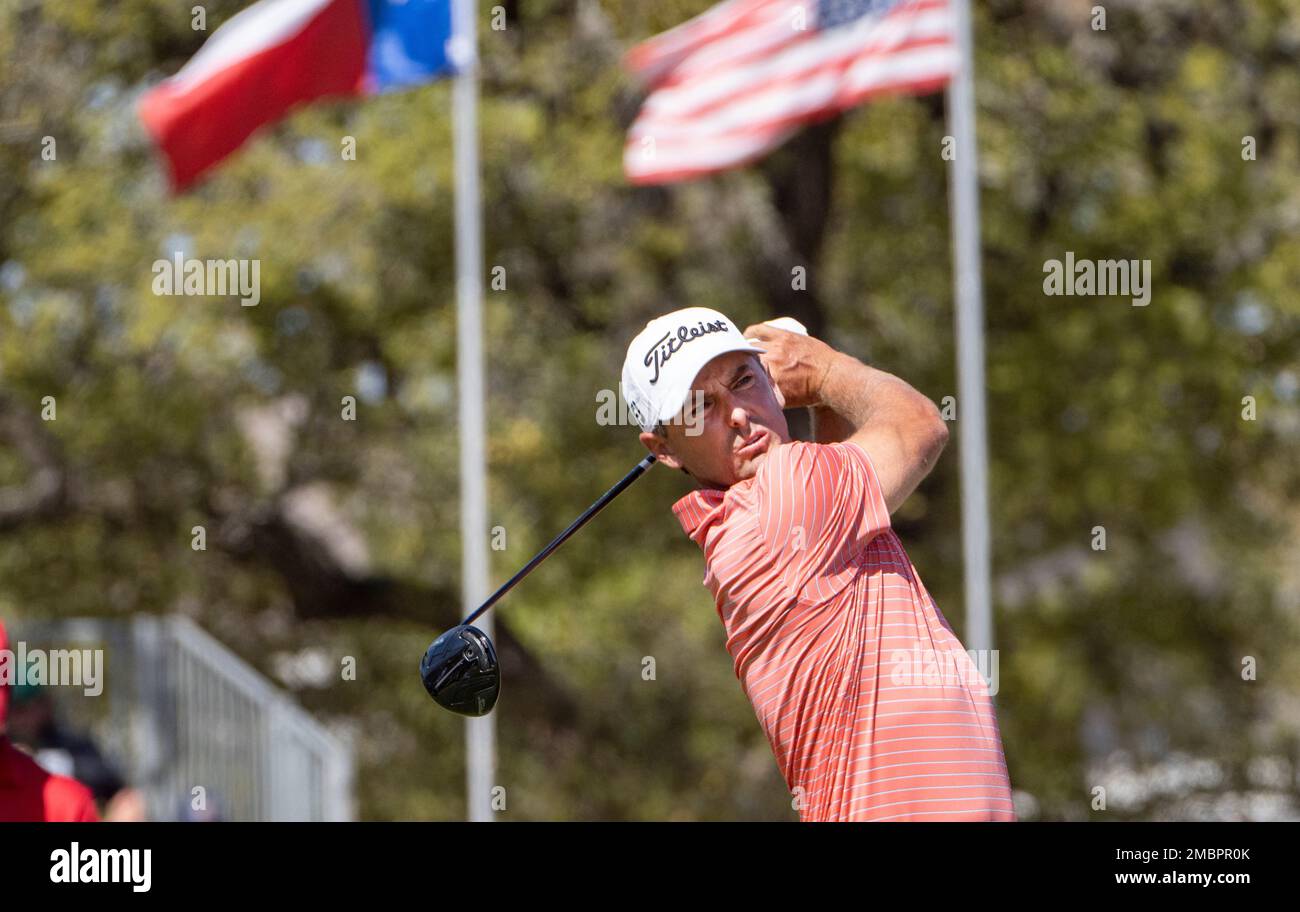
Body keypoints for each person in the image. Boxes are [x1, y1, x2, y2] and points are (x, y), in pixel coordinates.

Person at [623, 307, 1016, 821]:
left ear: (769, 380)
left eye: (744, 380)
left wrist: (815, 395)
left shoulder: (768, 519)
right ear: (663, 449)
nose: (738, 415)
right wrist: (823, 370)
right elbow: (920, 426)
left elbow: (837, 513)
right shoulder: (778, 500)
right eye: (701, 408)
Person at [0, 618, 99, 822]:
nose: (23, 718)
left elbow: (117, 791)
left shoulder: (64, 802)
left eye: (27, 708)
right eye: (18, 710)